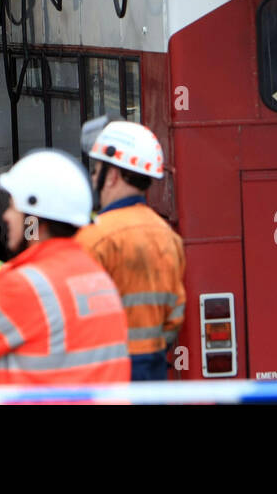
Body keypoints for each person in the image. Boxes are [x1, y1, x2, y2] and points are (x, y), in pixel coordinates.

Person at [0, 150, 130, 385]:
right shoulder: (97, 276)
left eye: (13, 207)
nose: (6, 216)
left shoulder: (25, 286)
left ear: (32, 219)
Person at [77, 120, 186, 381]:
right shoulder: (169, 237)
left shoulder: (93, 236)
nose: (93, 178)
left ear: (112, 175)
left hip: (107, 371)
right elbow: (175, 313)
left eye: (97, 171)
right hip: (154, 367)